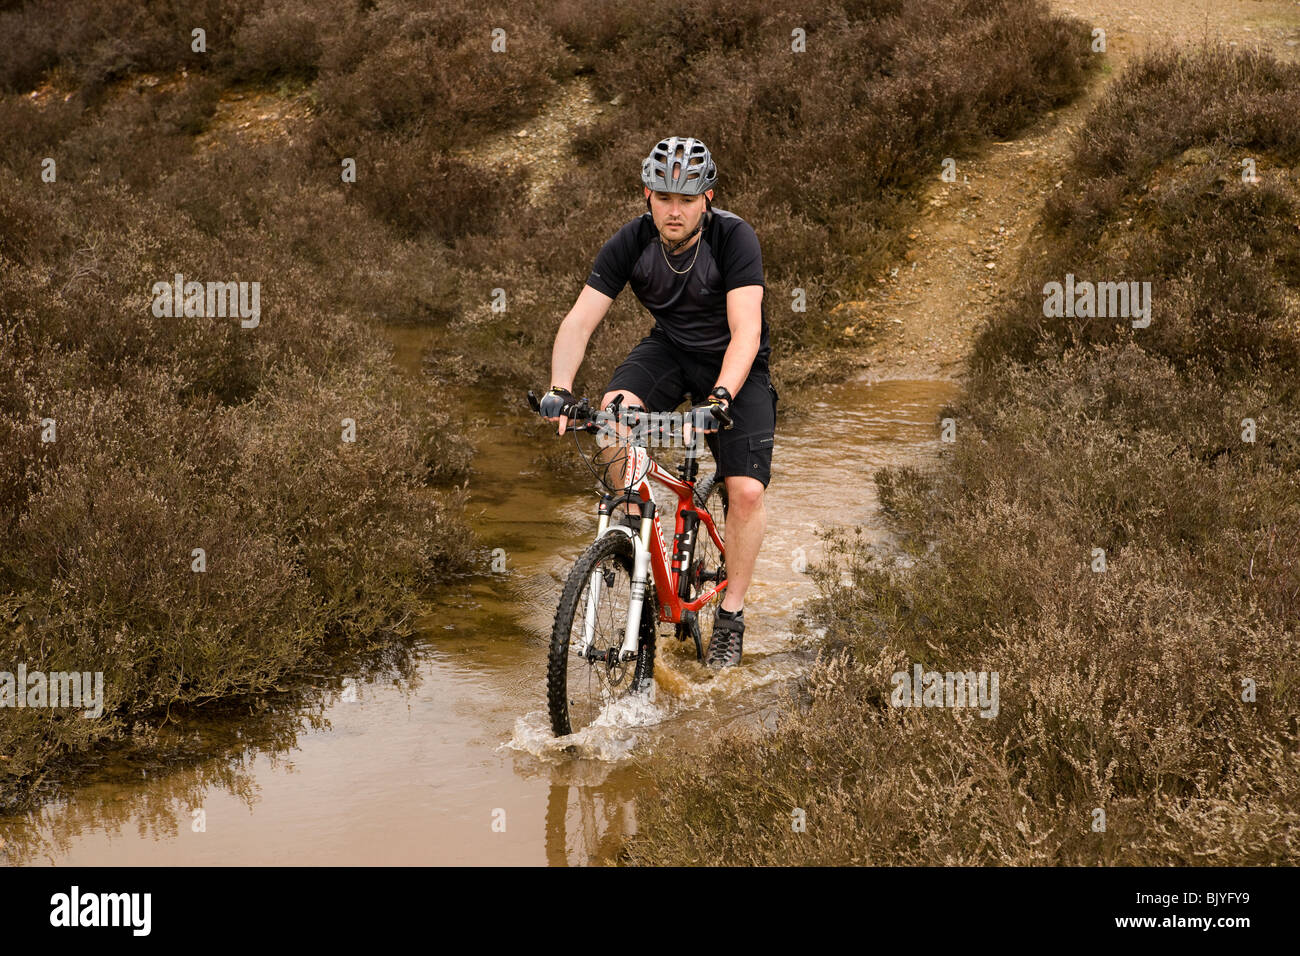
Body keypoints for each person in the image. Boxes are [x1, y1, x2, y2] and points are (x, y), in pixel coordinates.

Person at [539, 135, 777, 670]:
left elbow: (745, 332)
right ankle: (631, 544)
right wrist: (558, 387)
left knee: (743, 491)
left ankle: (731, 615)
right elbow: (579, 321)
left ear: (707, 198)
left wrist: (720, 398)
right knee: (609, 420)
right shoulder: (632, 240)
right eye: (664, 197)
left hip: (736, 366)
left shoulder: (735, 239)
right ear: (647, 194)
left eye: (687, 199)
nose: (675, 210)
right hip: (670, 350)